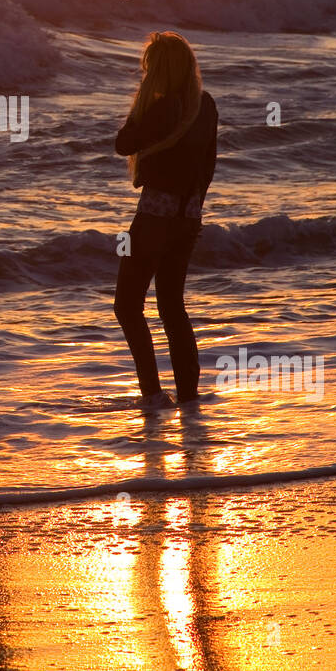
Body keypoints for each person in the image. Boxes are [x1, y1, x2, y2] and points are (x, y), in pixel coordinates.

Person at [114, 31, 217, 407]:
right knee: (172, 306)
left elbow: (123, 143)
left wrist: (141, 101)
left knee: (127, 306)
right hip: (188, 217)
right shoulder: (205, 105)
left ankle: (153, 395)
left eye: (149, 69)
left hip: (156, 215)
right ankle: (188, 397)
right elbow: (209, 165)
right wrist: (192, 207)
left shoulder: (162, 108)